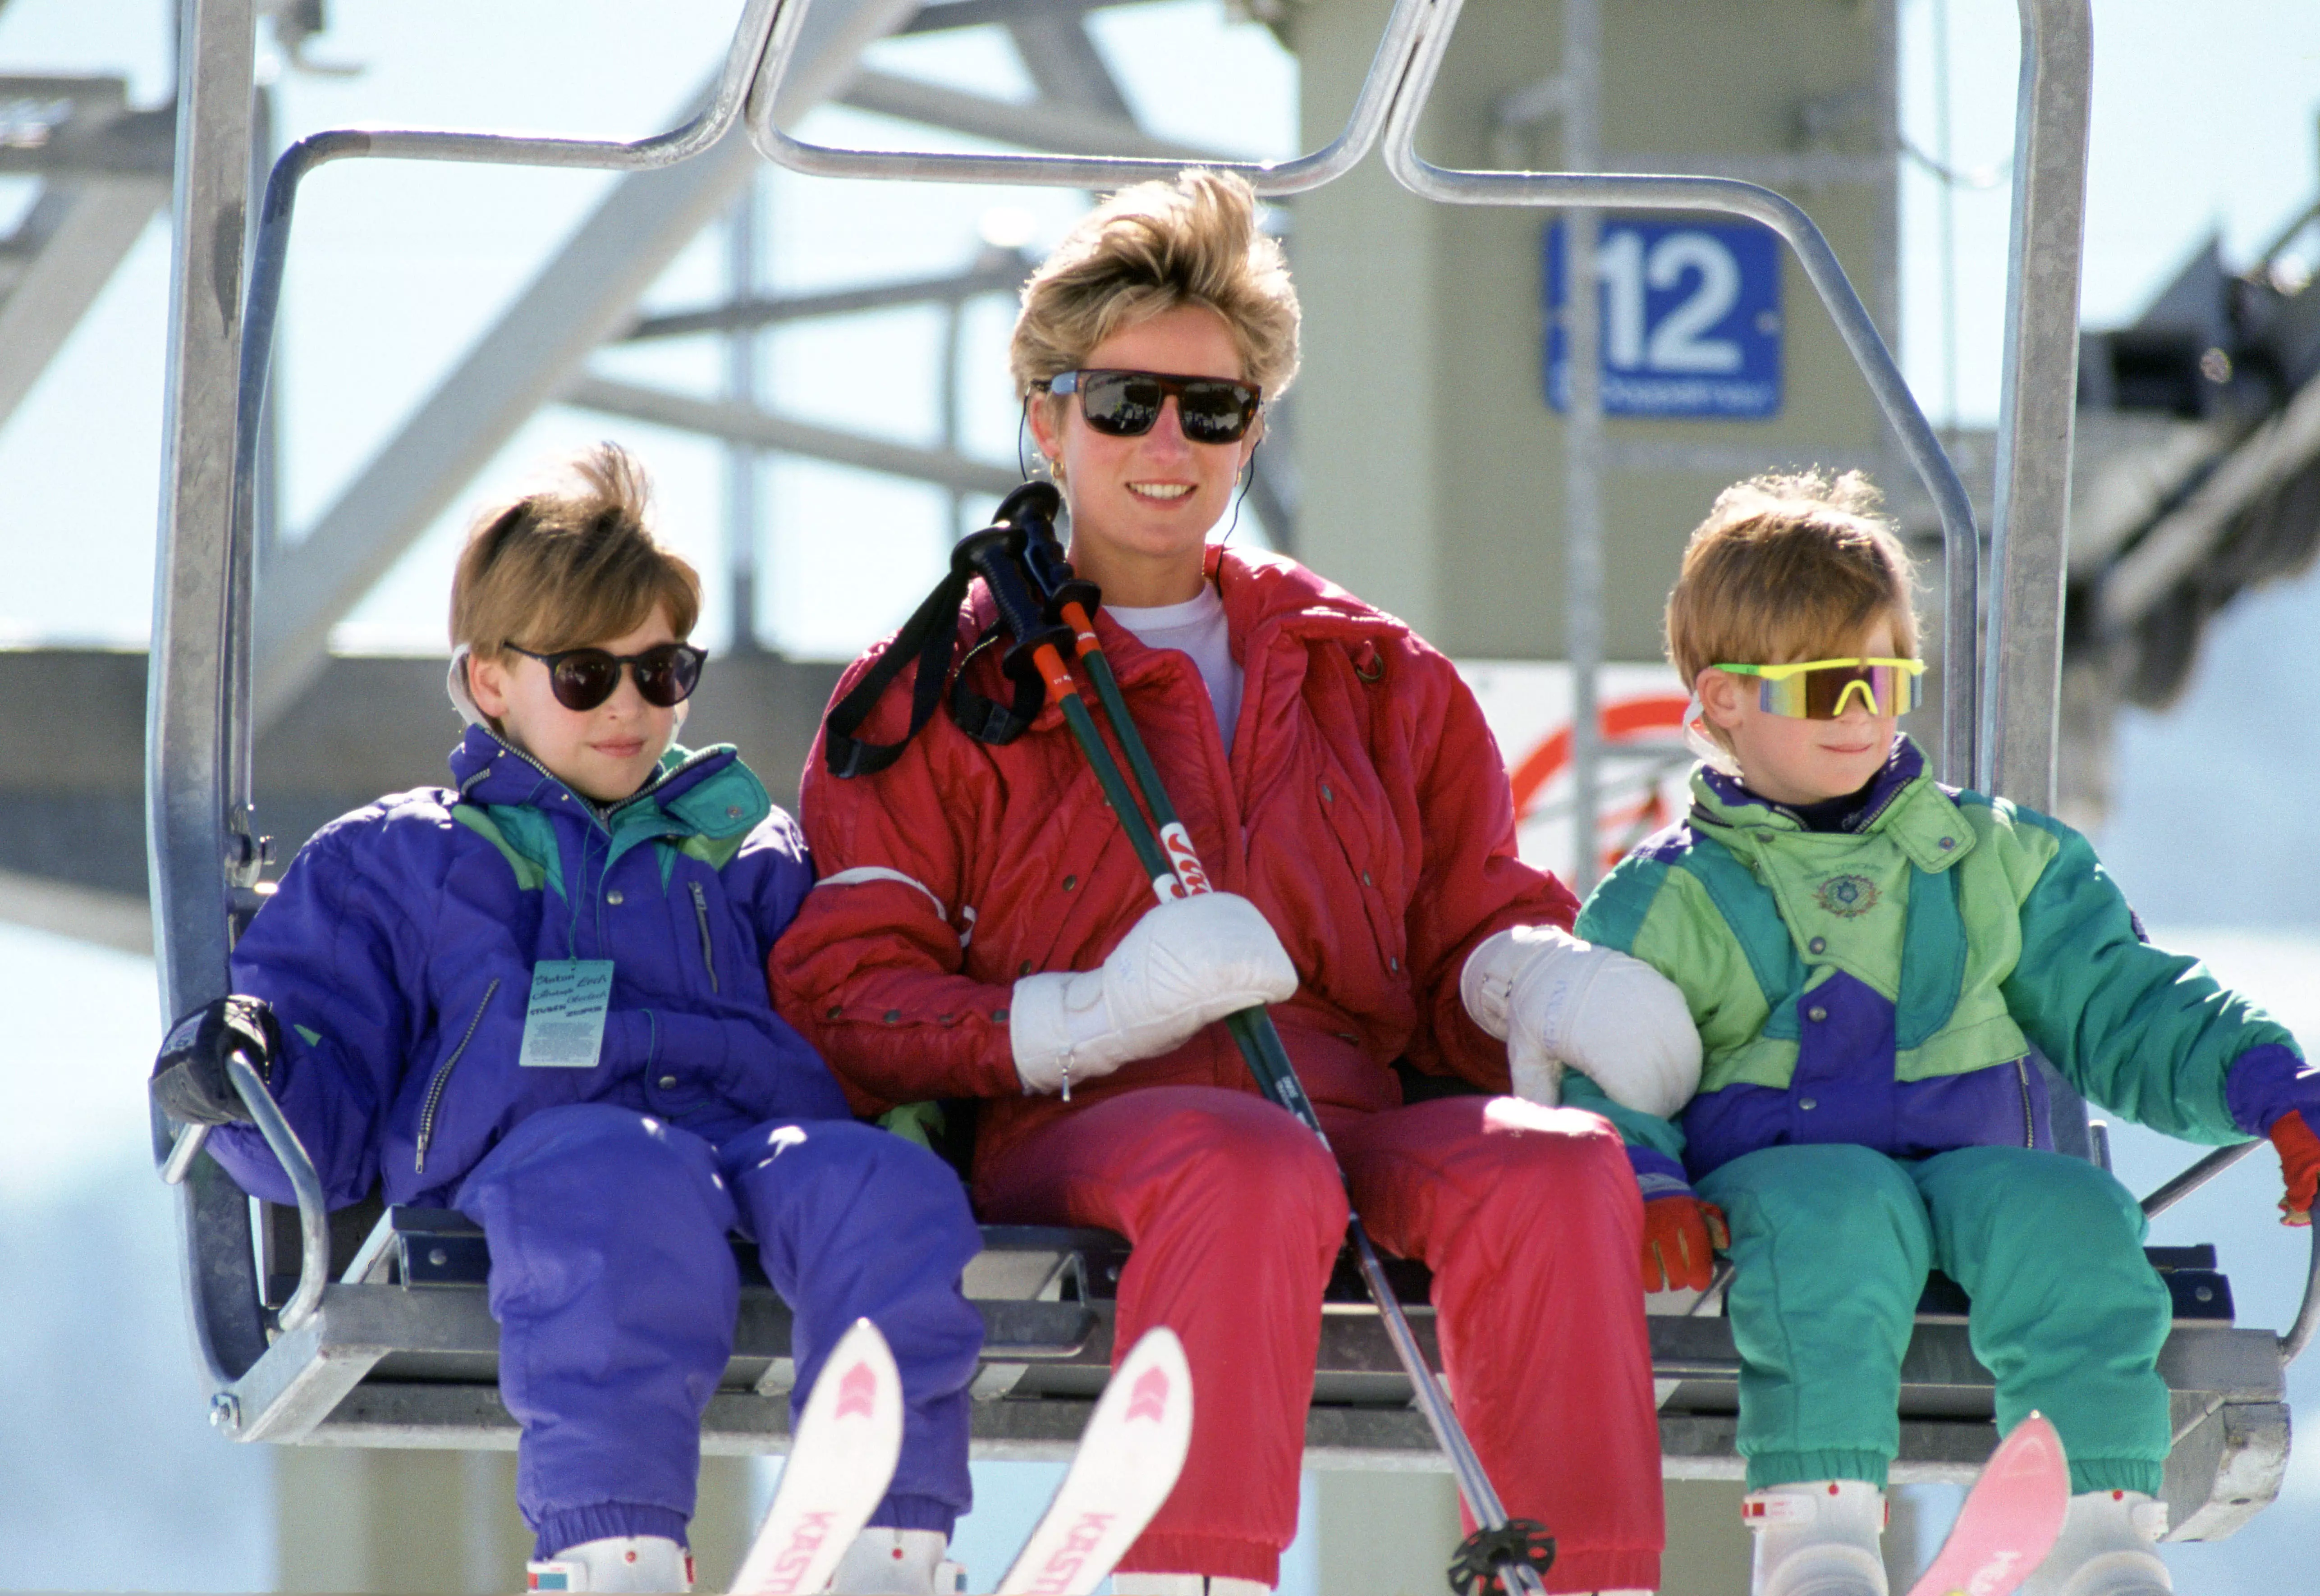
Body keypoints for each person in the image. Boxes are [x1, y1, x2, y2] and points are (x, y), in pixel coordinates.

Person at [772, 169, 1704, 1596]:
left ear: (1252, 429)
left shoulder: (1372, 674)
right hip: (1085, 1114)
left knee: (1559, 1168)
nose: (1167, 441)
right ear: (1044, 416)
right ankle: (1188, 1571)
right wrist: (1086, 1012)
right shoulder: (947, 688)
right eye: (1121, 401)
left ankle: (1590, 1578)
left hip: (1347, 1112)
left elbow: (1465, 923)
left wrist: (1537, 974)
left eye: (1210, 410)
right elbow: (850, 991)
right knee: (1241, 1160)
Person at [149, 446, 985, 1596]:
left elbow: (848, 1010)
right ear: (492, 681)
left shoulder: (743, 850)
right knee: (616, 1178)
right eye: (588, 677)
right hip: (538, 1173)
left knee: (881, 1190)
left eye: (663, 671)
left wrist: (954, 1087)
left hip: (746, 1157)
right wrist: (252, 1067)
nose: (633, 709)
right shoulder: (405, 861)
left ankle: (891, 1536)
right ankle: (615, 1546)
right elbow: (325, 1094)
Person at [1566, 470, 2320, 1596]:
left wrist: (2269, 1083)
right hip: (1779, 1190)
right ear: (1722, 699)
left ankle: (2098, 1533)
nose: (1863, 714)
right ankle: (1817, 1542)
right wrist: (1642, 1182)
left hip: (1974, 1170)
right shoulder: (1670, 903)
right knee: (1834, 1214)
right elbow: (1602, 1061)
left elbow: (2121, 1000)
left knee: (2072, 1216)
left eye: (1884, 678)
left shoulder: (1992, 862)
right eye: (1826, 687)